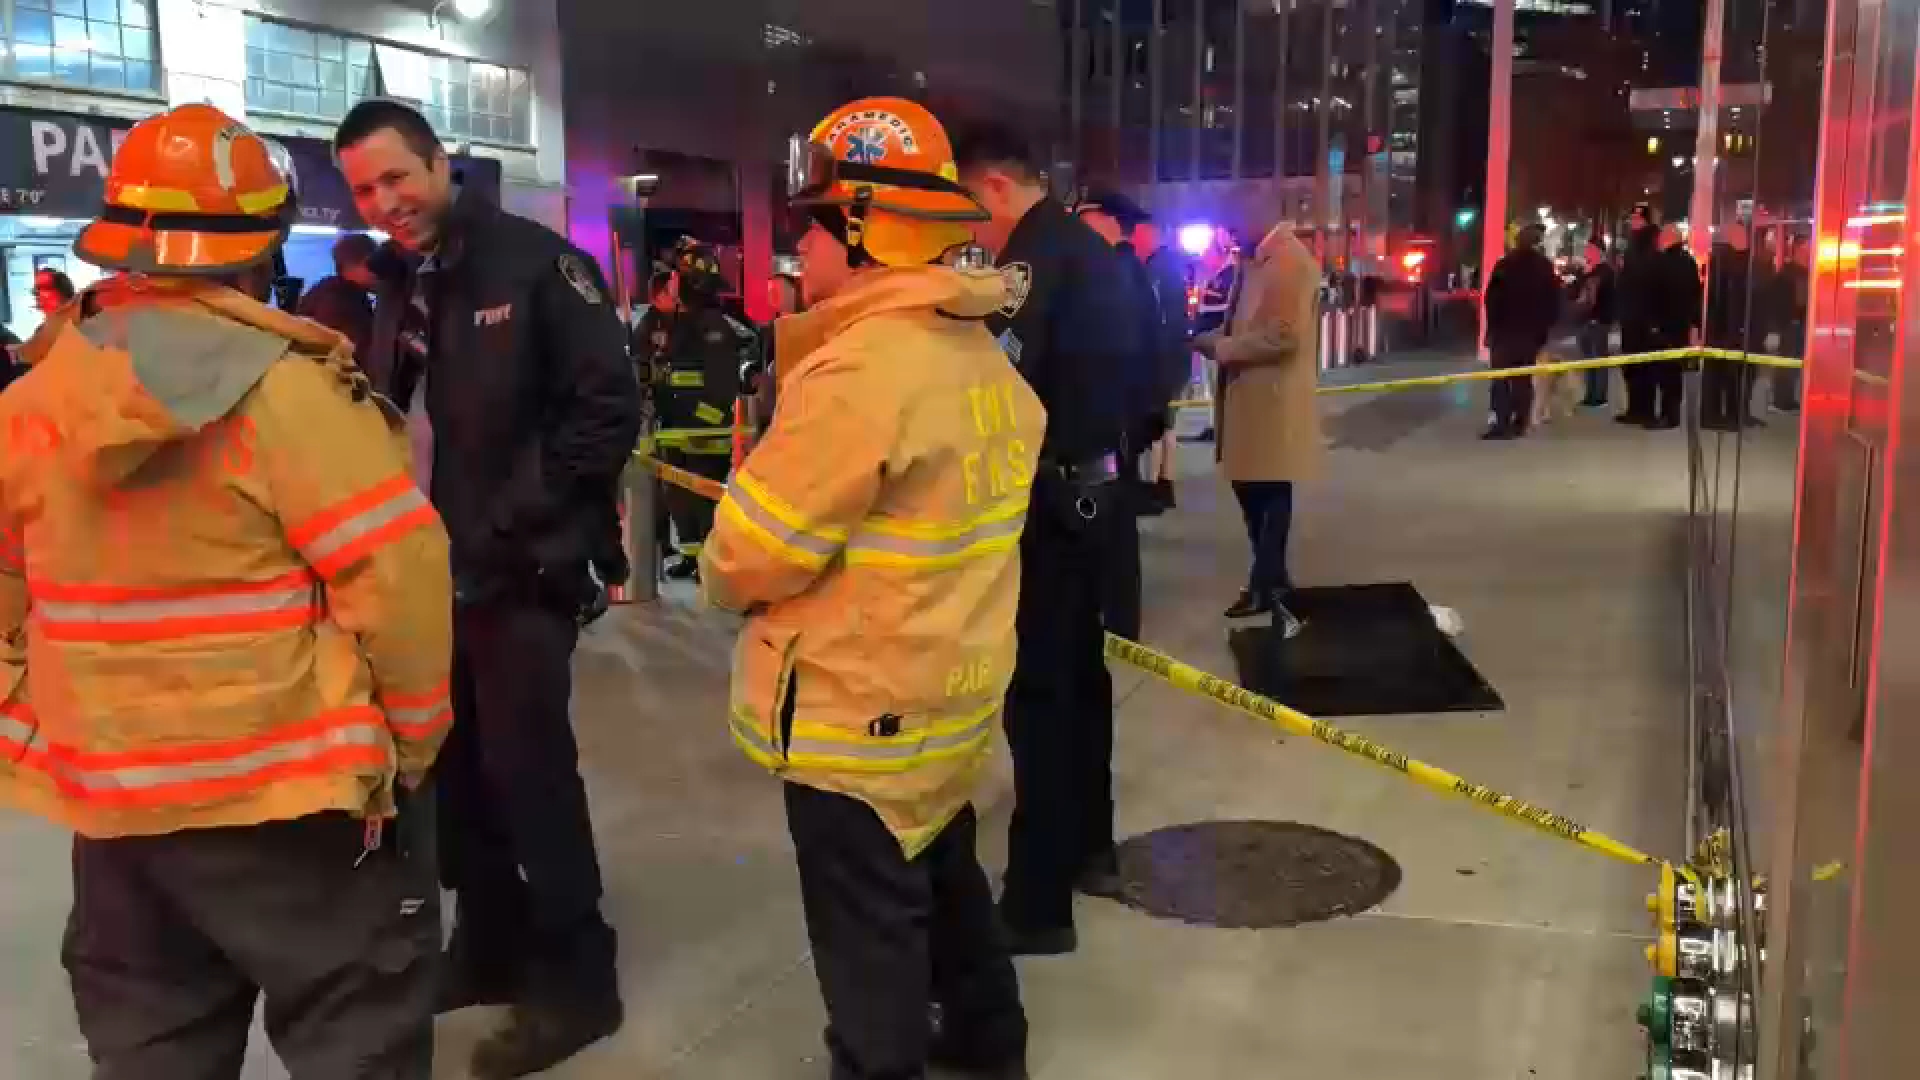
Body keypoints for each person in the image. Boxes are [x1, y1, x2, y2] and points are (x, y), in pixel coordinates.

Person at [0, 103, 453, 1077]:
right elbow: (400, 581)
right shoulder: (294, 397)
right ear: (260, 253)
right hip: (296, 810)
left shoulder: (33, 400)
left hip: (117, 809)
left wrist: (48, 719)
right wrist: (410, 747)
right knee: (356, 1039)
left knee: (153, 1052)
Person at [702, 95, 1034, 1080]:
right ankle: (988, 1047)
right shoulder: (972, 352)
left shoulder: (857, 374)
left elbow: (740, 558)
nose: (798, 255)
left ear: (860, 232)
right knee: (944, 879)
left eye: (808, 230)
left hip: (859, 713)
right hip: (948, 698)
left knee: (868, 947)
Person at [336, 97, 638, 1078]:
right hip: (429, 582)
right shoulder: (401, 282)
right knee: (452, 775)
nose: (386, 202)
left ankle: (578, 975)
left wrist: (516, 526)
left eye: (397, 177)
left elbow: (605, 410)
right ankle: (490, 940)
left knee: (529, 774)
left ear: (440, 163)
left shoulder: (534, 264)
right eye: (364, 189)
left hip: (520, 574)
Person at [956, 121, 1136, 956]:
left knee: (1041, 700)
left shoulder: (1031, 260)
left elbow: (999, 378)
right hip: (1103, 493)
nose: (973, 231)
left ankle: (1036, 899)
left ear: (996, 186)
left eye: (971, 208)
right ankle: (1091, 848)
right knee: (1084, 685)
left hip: (1050, 508)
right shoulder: (1100, 252)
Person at [1194, 223, 1322, 628]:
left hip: (1271, 401)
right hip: (1249, 399)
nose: (1226, 234)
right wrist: (1206, 337)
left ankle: (1265, 584)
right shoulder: (1253, 261)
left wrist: (1224, 348)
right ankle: (1273, 580)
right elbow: (1243, 326)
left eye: (1231, 223)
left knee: (1269, 491)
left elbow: (1285, 336)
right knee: (1252, 489)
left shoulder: (1289, 262)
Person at [1073, 189, 1163, 643]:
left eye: (1084, 217)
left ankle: (1120, 622)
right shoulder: (1119, 268)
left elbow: (1127, 350)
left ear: (1109, 223)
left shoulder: (1117, 270)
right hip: (1121, 414)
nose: (1076, 227)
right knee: (1113, 518)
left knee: (1116, 522)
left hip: (1115, 417)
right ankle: (1116, 615)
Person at [651, 237, 749, 581]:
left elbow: (721, 389)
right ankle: (693, 558)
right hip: (678, 430)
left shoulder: (714, 329)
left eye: (676, 276)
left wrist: (698, 427)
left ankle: (709, 561)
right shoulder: (680, 323)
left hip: (701, 437)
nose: (671, 283)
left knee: (702, 502)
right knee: (681, 502)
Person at [1480, 222, 1561, 440]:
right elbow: (1553, 301)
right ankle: (1520, 422)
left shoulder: (1505, 265)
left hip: (1505, 333)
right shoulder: (1544, 267)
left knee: (1500, 379)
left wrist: (1492, 329)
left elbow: (1492, 300)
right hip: (1530, 334)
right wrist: (1543, 329)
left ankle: (1501, 423)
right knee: (1522, 379)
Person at [1702, 221, 1757, 431]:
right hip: (1724, 330)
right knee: (1722, 375)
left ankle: (1735, 414)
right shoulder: (1722, 263)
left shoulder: (1745, 263)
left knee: (1738, 374)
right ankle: (1717, 415)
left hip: (1736, 329)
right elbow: (1718, 299)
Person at [1649, 221, 1702, 430]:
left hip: (1664, 326)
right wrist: (1694, 323)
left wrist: (1653, 323)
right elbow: (1695, 295)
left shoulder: (1661, 263)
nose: (1660, 239)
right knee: (1674, 371)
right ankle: (1673, 413)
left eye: (1663, 236)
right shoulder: (1688, 262)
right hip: (1680, 326)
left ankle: (1667, 415)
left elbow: (1654, 295)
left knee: (1664, 371)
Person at [296, 230, 379, 361]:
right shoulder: (341, 302)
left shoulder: (326, 289)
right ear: (363, 263)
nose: (378, 274)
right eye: (375, 265)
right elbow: (357, 354)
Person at [1615, 204, 1664, 425]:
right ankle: (1635, 408)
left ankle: (1646, 410)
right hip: (1631, 316)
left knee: (1645, 365)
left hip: (1644, 317)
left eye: (1637, 218)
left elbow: (1653, 284)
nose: (1633, 221)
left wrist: (1653, 318)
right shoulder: (1633, 246)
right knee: (1632, 364)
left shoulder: (1651, 247)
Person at [1575, 239, 1618, 408]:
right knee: (1587, 359)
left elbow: (1594, 295)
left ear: (1598, 251)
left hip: (1599, 321)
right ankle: (1589, 393)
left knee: (1598, 358)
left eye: (1590, 249)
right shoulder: (1588, 271)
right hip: (1585, 321)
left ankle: (1600, 396)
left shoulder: (1605, 271)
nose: (1586, 251)